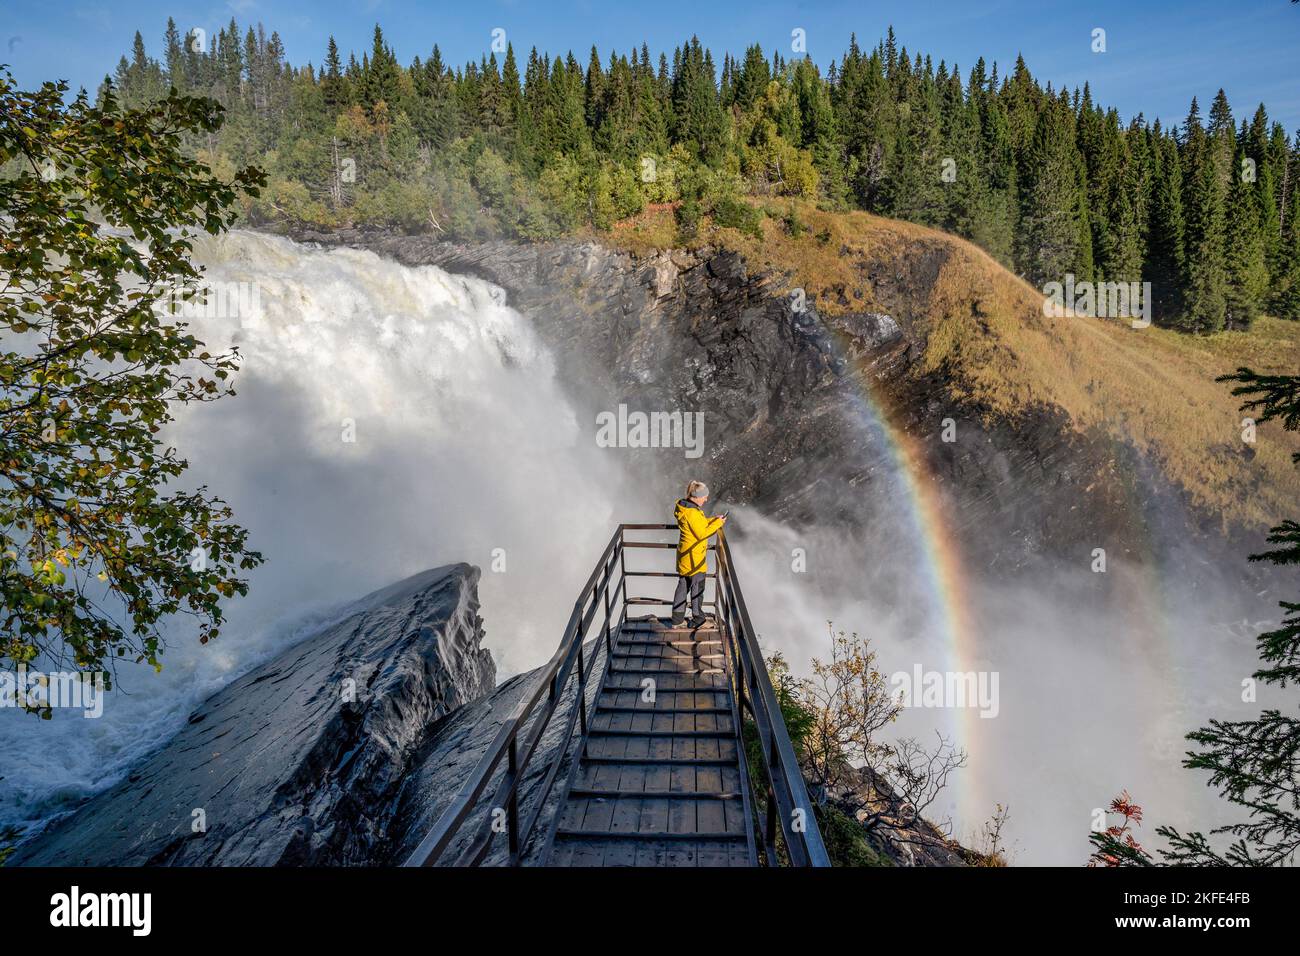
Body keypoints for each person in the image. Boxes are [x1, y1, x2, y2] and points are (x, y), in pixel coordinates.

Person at [670, 480, 727, 628]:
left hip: (685, 555)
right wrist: (718, 524)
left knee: (683, 587)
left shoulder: (685, 508)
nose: (706, 499)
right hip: (695, 558)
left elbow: (697, 525)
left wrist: (713, 520)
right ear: (696, 497)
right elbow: (702, 533)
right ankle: (697, 619)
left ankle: (677, 619)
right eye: (704, 496)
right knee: (697, 588)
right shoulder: (693, 513)